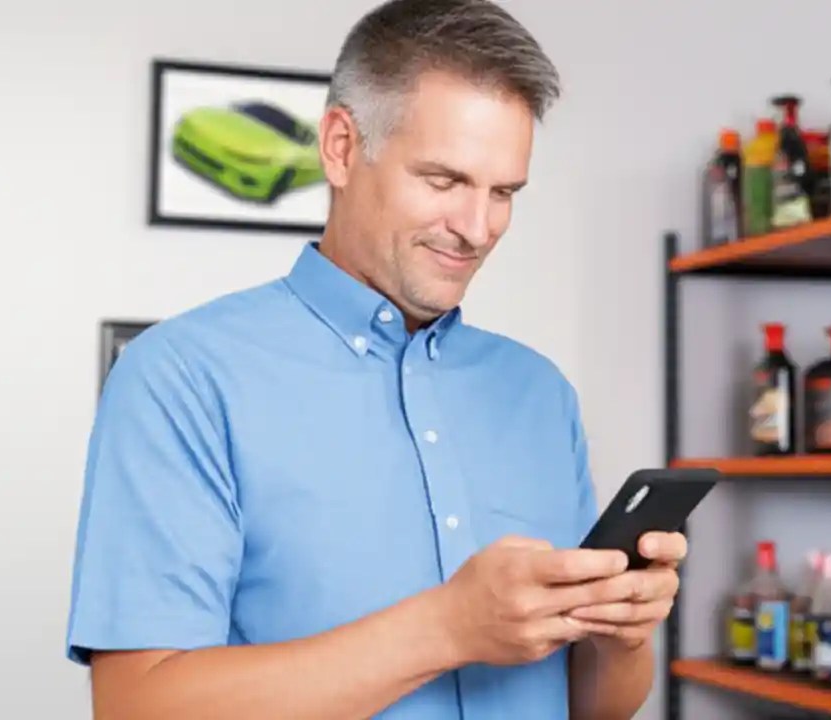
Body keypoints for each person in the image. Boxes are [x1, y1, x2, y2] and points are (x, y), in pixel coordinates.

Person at [65, 0, 686, 718]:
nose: (477, 228)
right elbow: (137, 706)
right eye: (444, 181)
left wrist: (621, 638)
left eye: (504, 193)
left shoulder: (540, 393)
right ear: (339, 147)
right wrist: (447, 627)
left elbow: (590, 707)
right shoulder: (181, 378)